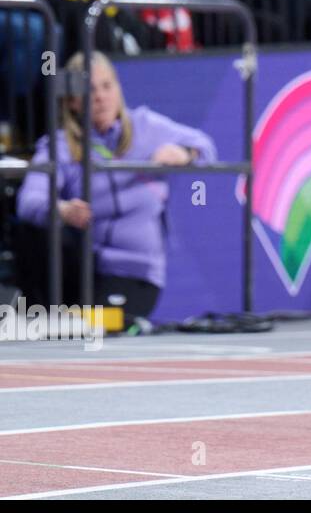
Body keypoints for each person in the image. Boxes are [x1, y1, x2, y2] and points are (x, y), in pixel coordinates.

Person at [14, 50, 215, 329]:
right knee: (33, 229)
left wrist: (185, 153)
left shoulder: (146, 126)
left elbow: (206, 146)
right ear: (72, 101)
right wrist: (62, 209)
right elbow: (28, 201)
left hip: (134, 269)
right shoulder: (59, 144)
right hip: (85, 265)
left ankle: (89, 321)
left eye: (107, 86)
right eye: (89, 89)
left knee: (98, 328)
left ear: (118, 89)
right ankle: (45, 316)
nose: (100, 97)